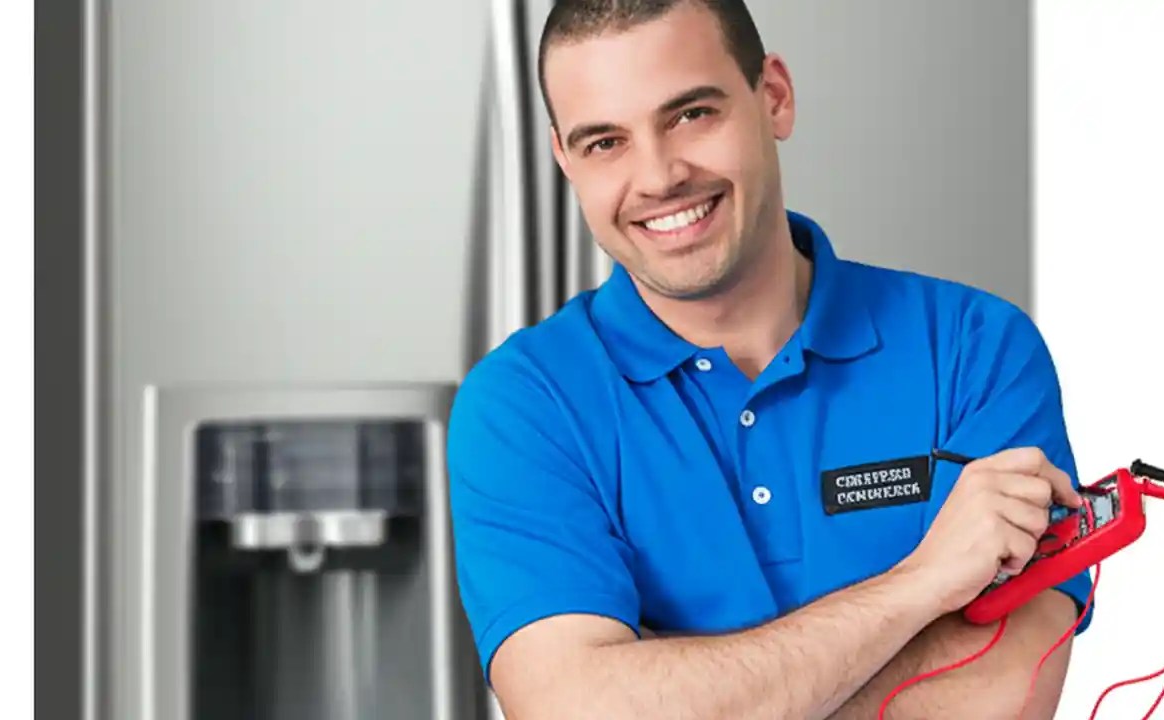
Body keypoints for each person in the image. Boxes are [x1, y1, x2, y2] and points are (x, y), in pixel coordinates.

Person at [446, 1, 1093, 717]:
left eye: (690, 114)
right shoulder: (524, 407)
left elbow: (1001, 693)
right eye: (605, 142)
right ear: (565, 159)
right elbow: (572, 706)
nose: (659, 177)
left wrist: (672, 682)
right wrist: (920, 587)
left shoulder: (975, 349)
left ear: (774, 98)